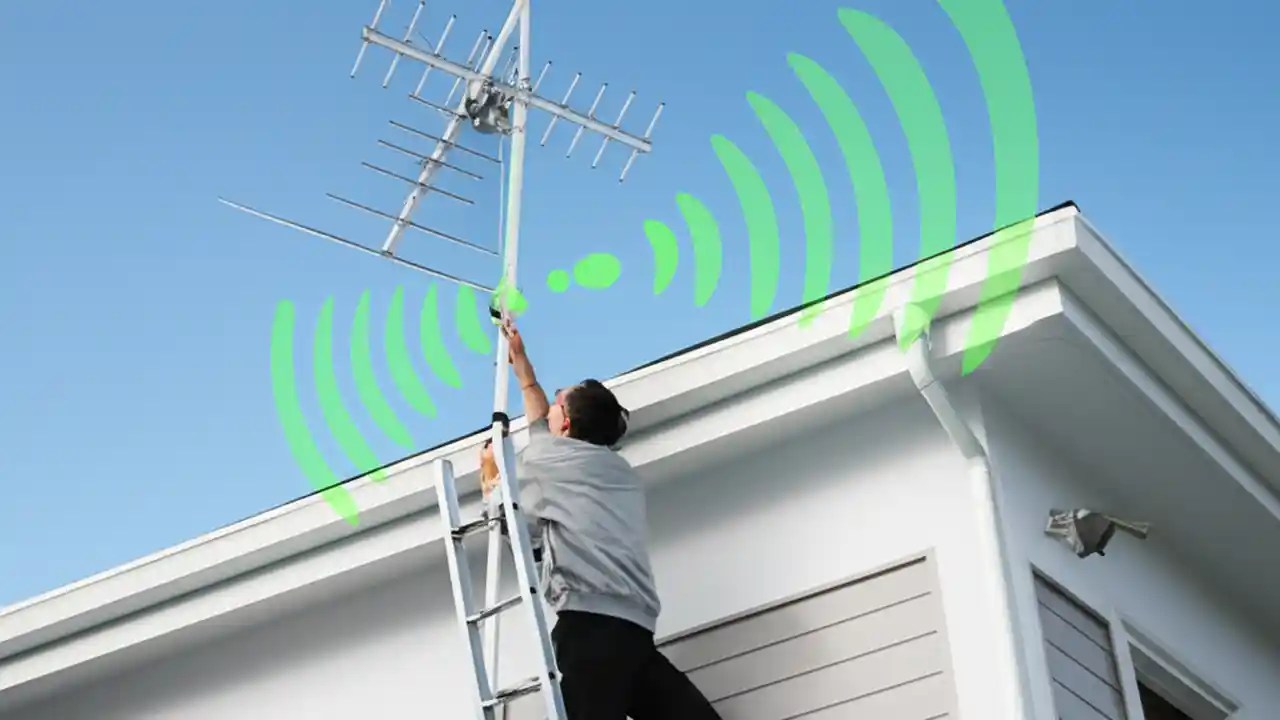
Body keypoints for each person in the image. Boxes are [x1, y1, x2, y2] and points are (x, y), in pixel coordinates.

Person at [478, 316, 722, 720]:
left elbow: (510, 519)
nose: (550, 407)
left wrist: (489, 474)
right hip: (635, 630)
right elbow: (542, 427)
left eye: (559, 404)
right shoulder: (613, 469)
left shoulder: (548, 461)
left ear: (568, 424)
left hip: (589, 628)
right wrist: (522, 365)